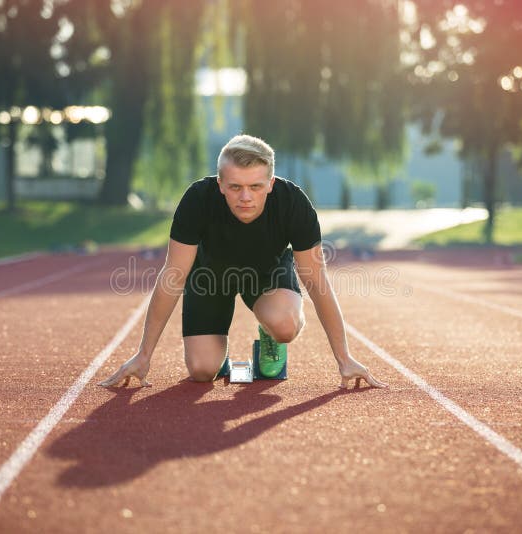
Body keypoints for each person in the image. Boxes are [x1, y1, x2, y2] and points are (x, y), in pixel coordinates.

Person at [99, 134, 387, 389]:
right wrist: (144, 355)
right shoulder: (197, 200)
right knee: (201, 371)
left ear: (271, 183)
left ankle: (269, 333)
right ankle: (216, 358)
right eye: (235, 187)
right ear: (220, 184)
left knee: (285, 325)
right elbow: (172, 277)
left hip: (267, 274)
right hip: (209, 276)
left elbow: (316, 280)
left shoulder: (293, 204)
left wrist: (344, 358)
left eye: (256, 186)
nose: (246, 197)